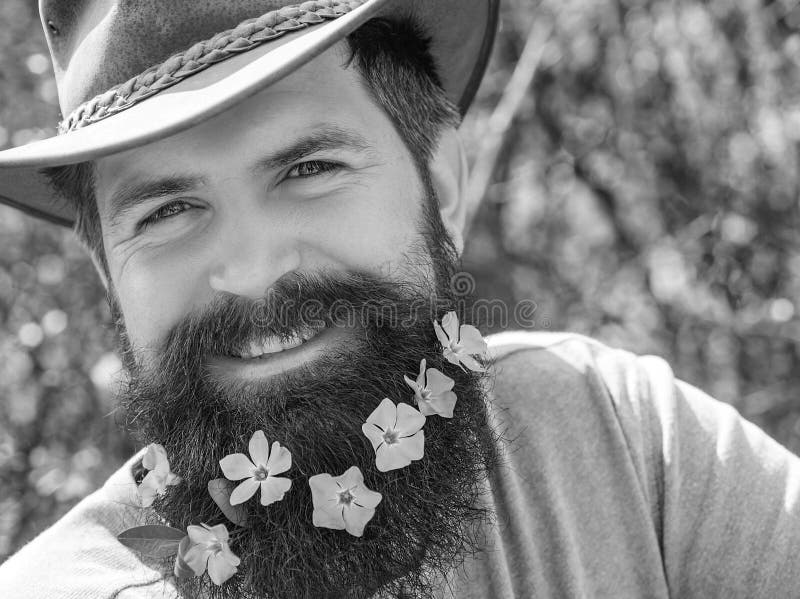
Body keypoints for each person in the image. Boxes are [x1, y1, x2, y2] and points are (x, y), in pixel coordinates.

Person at [1, 1, 800, 597]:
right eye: (165, 211)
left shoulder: (619, 437)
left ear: (440, 181)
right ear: (108, 272)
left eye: (309, 168)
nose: (250, 268)